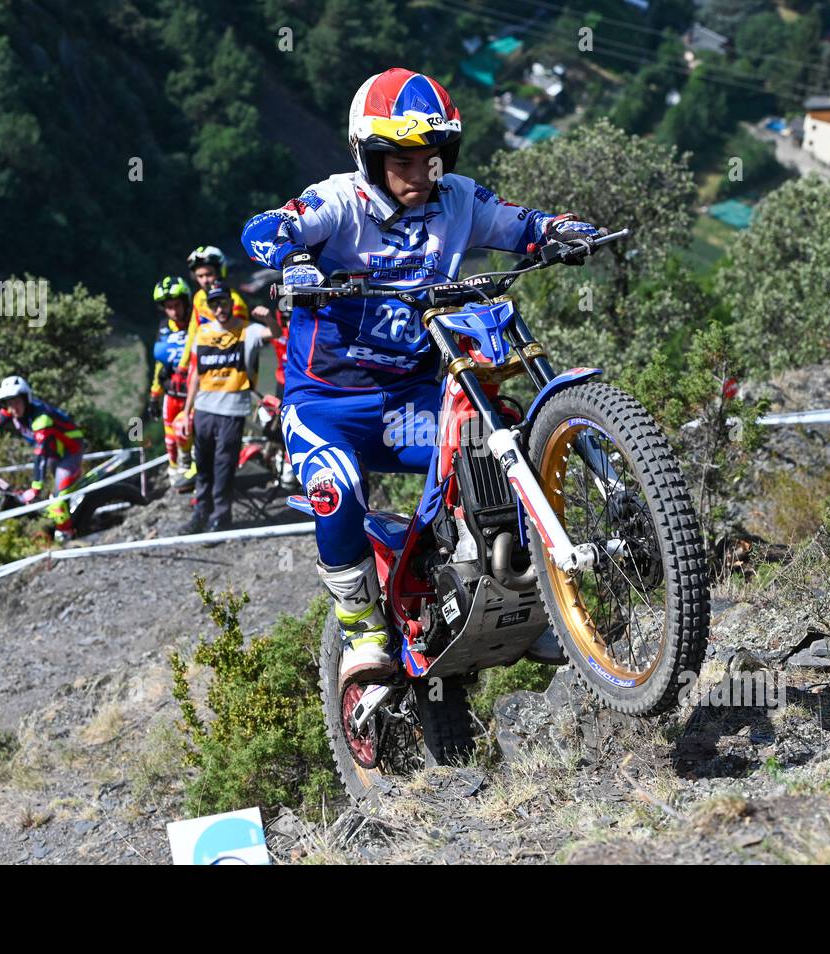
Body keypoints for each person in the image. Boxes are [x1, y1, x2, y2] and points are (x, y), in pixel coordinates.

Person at [240, 67, 601, 687]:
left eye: (432, 156)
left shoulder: (457, 199)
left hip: (409, 402)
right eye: (400, 158)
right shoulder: (338, 203)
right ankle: (360, 625)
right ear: (369, 157)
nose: (418, 171)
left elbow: (520, 224)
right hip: (326, 402)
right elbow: (264, 227)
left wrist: (560, 232)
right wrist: (294, 259)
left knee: (497, 442)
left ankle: (523, 591)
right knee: (337, 481)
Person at [179, 281, 271, 538]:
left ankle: (221, 516)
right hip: (204, 408)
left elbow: (273, 334)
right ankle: (200, 513)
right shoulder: (203, 334)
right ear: (209, 308)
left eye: (224, 302)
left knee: (224, 464)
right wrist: (187, 411)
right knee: (203, 463)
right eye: (215, 304)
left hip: (232, 408)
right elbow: (197, 373)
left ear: (232, 304)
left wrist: (269, 318)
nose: (220, 308)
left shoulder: (248, 331)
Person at [0, 377, 85, 544]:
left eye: (16, 401)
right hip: (53, 453)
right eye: (9, 402)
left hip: (69, 452)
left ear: (26, 399)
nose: (13, 407)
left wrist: (35, 488)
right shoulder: (10, 411)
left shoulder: (41, 418)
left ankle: (66, 537)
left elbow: (40, 454)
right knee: (54, 495)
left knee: (57, 500)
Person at [149, 276, 195, 490]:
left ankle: (190, 469)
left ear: (185, 302)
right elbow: (160, 364)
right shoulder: (163, 328)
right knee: (170, 439)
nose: (174, 312)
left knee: (184, 431)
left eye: (176, 305)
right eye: (168, 307)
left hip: (194, 393)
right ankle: (175, 471)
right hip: (172, 393)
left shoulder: (197, 322)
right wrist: (154, 396)